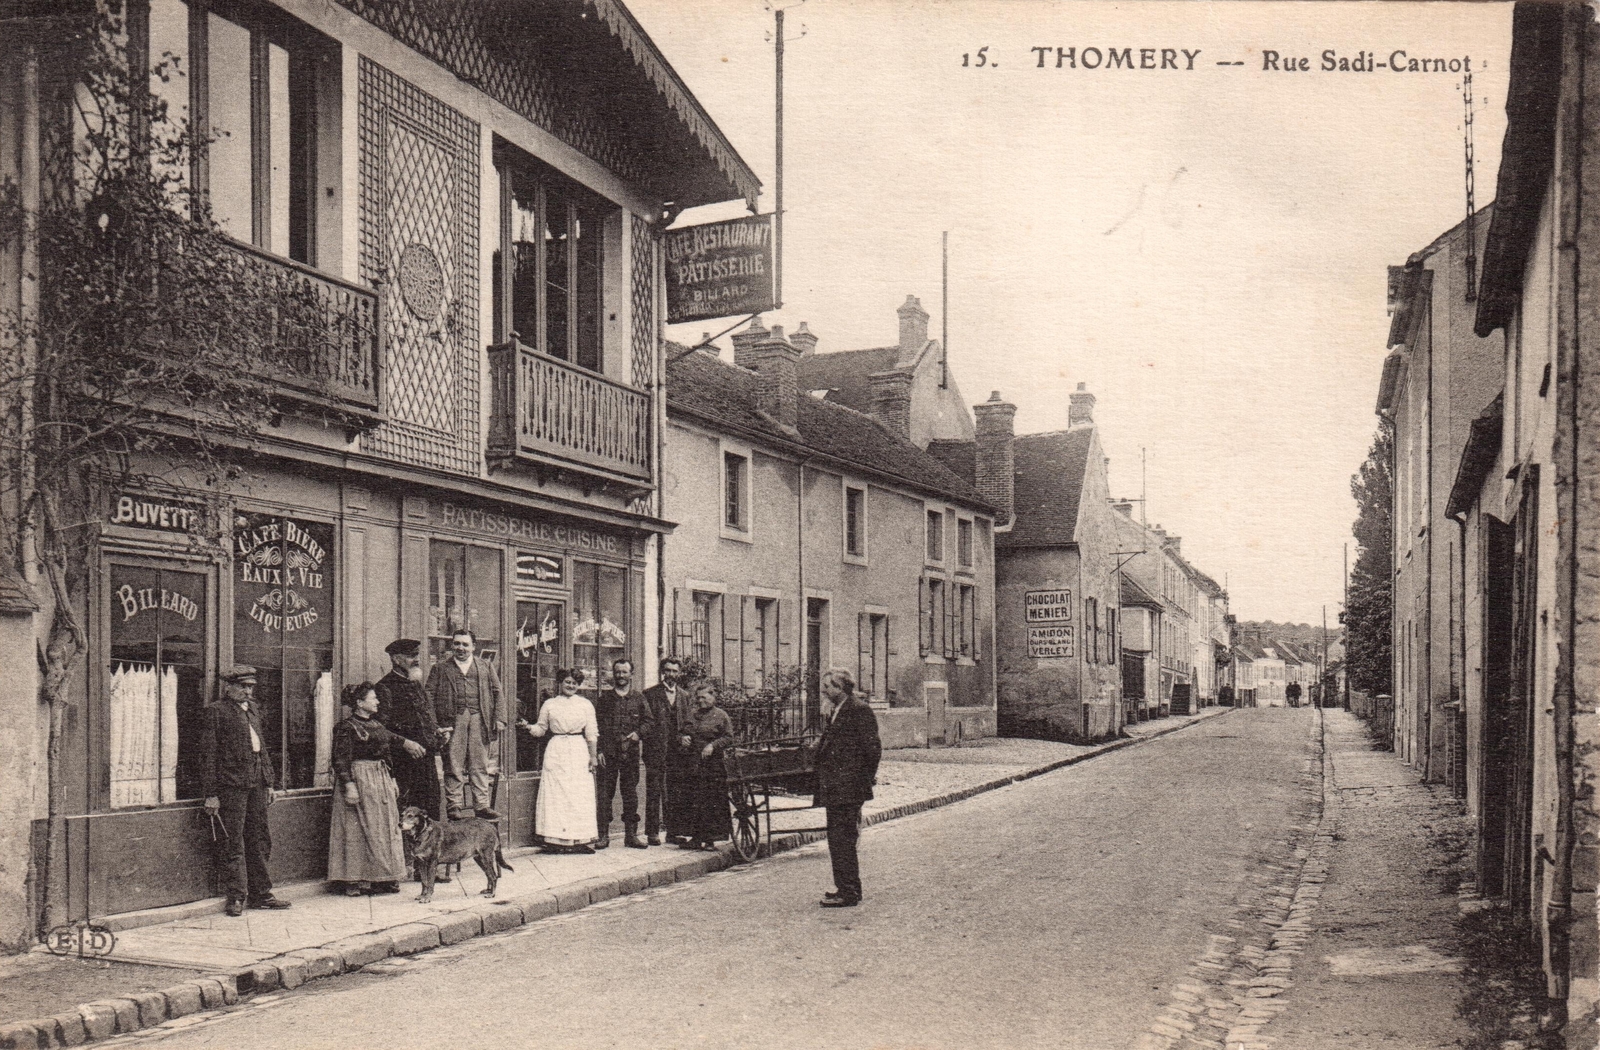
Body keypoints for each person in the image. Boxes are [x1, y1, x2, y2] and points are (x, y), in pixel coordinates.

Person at [200, 665, 291, 916]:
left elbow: (261, 748)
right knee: (233, 840)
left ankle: (262, 893)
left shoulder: (253, 710)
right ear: (228, 687)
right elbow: (208, 755)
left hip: (257, 784)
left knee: (259, 837)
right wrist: (211, 793)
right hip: (231, 786)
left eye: (250, 687)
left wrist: (270, 782)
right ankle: (237, 896)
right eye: (242, 687)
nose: (247, 691)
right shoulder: (216, 712)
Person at [329, 683, 427, 896]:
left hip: (380, 780)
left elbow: (388, 747)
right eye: (373, 698)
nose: (377, 702)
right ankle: (354, 880)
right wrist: (349, 785)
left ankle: (384, 877)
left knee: (384, 828)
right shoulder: (346, 727)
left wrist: (391, 779)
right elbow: (340, 759)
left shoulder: (377, 724)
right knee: (358, 829)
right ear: (359, 703)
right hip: (359, 779)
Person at [812, 669, 881, 908]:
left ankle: (849, 892)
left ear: (841, 688)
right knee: (837, 838)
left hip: (848, 788)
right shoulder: (837, 709)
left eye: (828, 687)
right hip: (836, 787)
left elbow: (872, 750)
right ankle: (845, 887)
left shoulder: (859, 710)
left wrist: (863, 781)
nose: (824, 691)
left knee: (843, 839)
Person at [428, 629, 509, 821]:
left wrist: (500, 718)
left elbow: (498, 692)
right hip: (452, 721)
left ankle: (481, 805)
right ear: (452, 645)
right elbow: (429, 695)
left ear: (473, 646)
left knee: (479, 763)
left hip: (479, 719)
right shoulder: (440, 668)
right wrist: (435, 723)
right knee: (453, 764)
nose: (461, 648)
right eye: (457, 644)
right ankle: (454, 805)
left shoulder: (485, 666)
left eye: (465, 644)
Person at [522, 668, 599, 852]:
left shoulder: (585, 704)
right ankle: (555, 841)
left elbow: (591, 732)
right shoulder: (550, 704)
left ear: (578, 685)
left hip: (578, 749)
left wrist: (593, 756)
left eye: (574, 683)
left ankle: (579, 840)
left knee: (577, 795)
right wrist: (528, 727)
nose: (570, 685)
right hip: (556, 749)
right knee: (556, 794)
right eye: (567, 682)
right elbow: (541, 728)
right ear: (560, 683)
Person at [372, 639, 441, 818]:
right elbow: (378, 729)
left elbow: (424, 718)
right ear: (396, 659)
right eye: (411, 656)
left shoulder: (416, 684)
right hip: (403, 764)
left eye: (417, 655)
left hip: (426, 762)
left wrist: (437, 733)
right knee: (407, 815)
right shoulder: (385, 687)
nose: (416, 659)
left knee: (431, 809)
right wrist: (405, 743)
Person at [596, 658, 650, 850]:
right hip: (609, 754)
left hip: (630, 754)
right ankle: (603, 835)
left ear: (631, 674)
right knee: (604, 795)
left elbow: (649, 722)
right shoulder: (605, 700)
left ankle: (631, 835)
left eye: (624, 672)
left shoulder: (639, 699)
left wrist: (638, 733)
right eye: (617, 672)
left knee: (630, 794)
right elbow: (597, 727)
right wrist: (599, 750)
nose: (620, 676)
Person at [679, 681, 734, 851]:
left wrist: (713, 745)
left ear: (713, 697)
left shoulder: (721, 715)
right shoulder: (692, 714)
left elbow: (729, 738)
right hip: (693, 764)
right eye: (698, 697)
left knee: (712, 802)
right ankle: (696, 838)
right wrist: (682, 738)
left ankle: (710, 840)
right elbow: (683, 732)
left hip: (713, 767)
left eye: (704, 697)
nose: (701, 701)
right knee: (694, 801)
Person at [641, 658, 684, 846]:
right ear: (662, 672)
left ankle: (673, 832)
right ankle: (652, 832)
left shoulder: (684, 696)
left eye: (675, 671)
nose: (671, 675)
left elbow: (687, 722)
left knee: (675, 791)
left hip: (677, 752)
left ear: (679, 673)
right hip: (655, 751)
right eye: (668, 671)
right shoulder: (650, 694)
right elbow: (645, 722)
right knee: (654, 791)